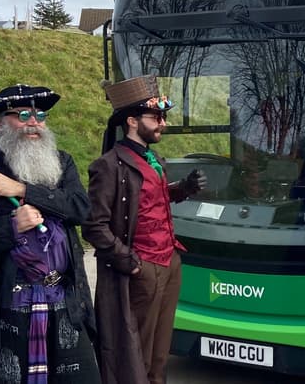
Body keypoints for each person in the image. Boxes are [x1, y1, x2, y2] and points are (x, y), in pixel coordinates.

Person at [0, 84, 99, 383]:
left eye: (40, 115)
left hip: (65, 303)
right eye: (23, 115)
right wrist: (11, 227)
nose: (34, 122)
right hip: (7, 309)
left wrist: (23, 190)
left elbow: (81, 209)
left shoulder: (62, 162)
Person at [84, 75, 207, 384]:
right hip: (143, 266)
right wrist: (130, 262)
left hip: (170, 260)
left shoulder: (153, 158)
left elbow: (152, 198)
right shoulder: (108, 166)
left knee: (161, 348)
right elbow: (93, 225)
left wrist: (183, 188)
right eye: (156, 117)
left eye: (163, 117)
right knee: (135, 347)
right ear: (132, 121)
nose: (162, 124)